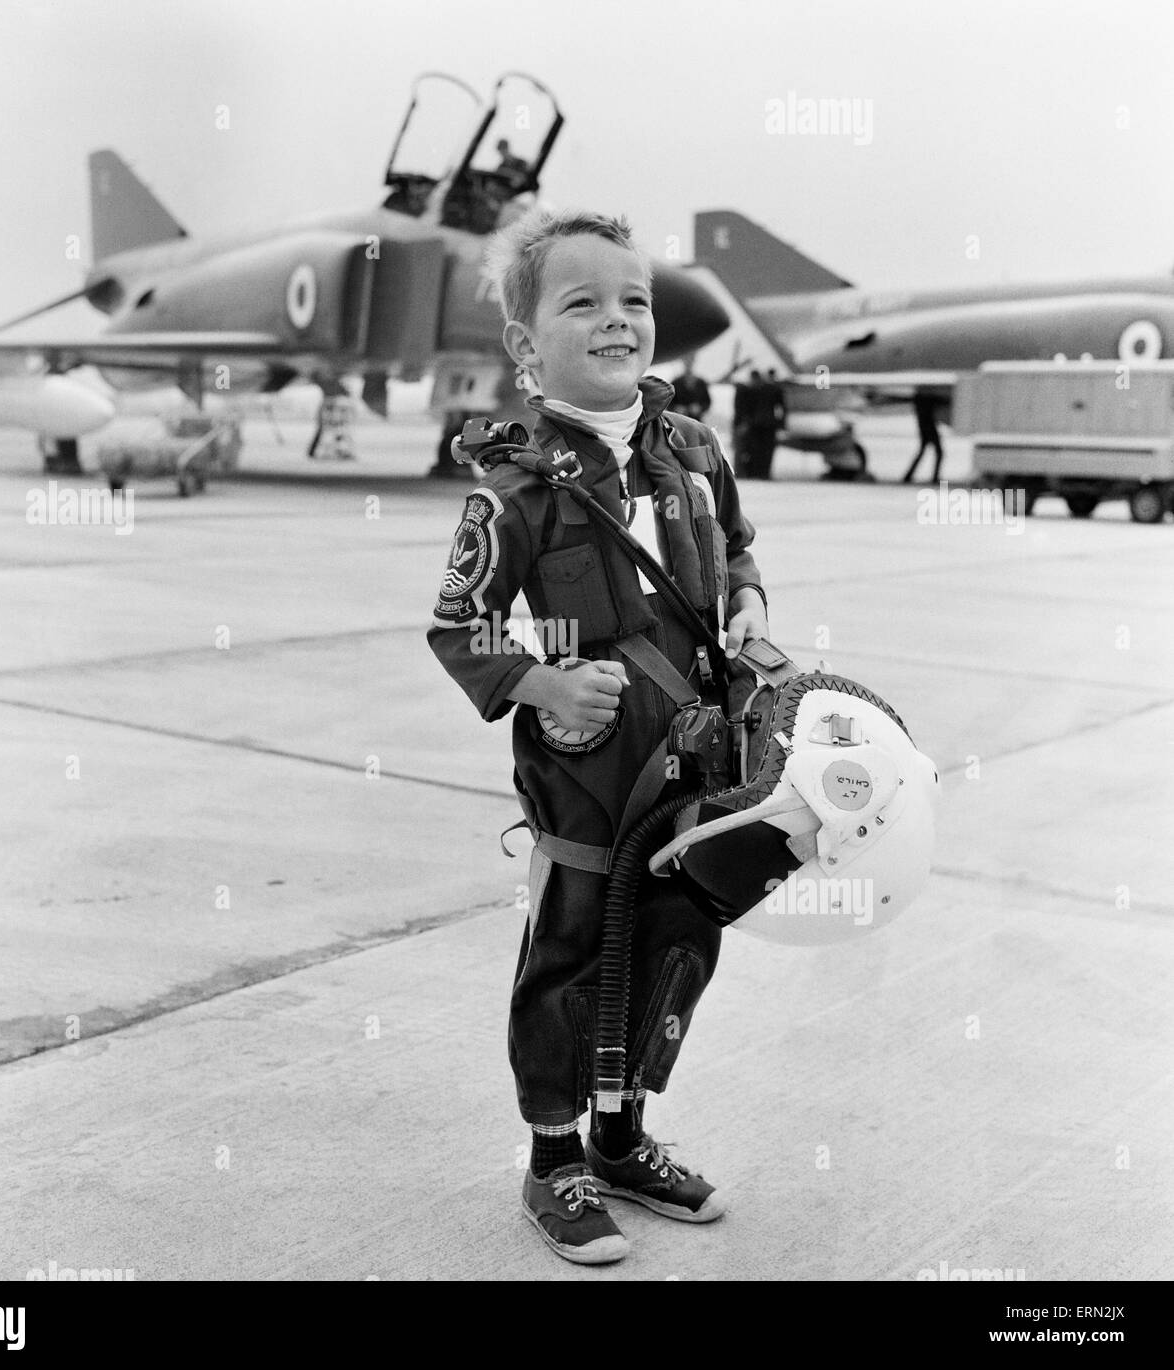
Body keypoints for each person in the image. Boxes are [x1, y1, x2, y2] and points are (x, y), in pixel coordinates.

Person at [427, 208, 769, 1265]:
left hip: (697, 761)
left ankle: (621, 1139)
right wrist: (539, 680)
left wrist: (750, 605)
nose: (619, 320)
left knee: (674, 941)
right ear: (527, 343)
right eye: (583, 303)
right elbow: (458, 626)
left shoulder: (694, 450)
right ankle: (553, 1158)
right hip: (587, 777)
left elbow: (740, 549)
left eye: (634, 301)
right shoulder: (516, 486)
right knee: (571, 955)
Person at [903, 393, 944, 483]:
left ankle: (909, 476)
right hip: (929, 427)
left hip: (925, 427)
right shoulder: (925, 399)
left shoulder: (920, 400)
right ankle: (934, 477)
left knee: (924, 452)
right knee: (938, 452)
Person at [670, 354, 711, 421]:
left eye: (691, 359)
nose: (688, 362)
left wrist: (699, 408)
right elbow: (668, 403)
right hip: (679, 422)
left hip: (696, 422)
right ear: (683, 361)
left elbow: (707, 402)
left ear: (694, 360)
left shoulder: (701, 383)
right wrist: (676, 408)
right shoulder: (675, 383)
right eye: (686, 359)